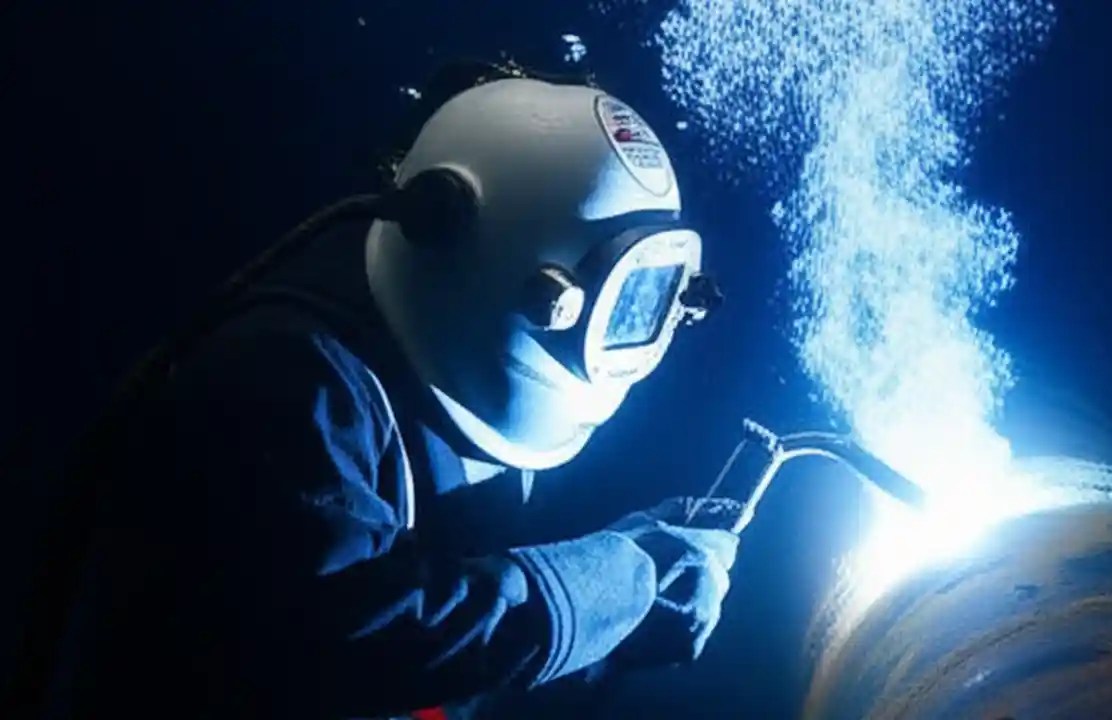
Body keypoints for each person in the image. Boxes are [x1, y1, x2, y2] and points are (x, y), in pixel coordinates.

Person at [7, 64, 739, 719]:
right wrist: (617, 580)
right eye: (628, 302)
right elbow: (349, 632)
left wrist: (615, 617)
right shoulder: (290, 383)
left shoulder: (452, 380)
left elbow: (446, 664)